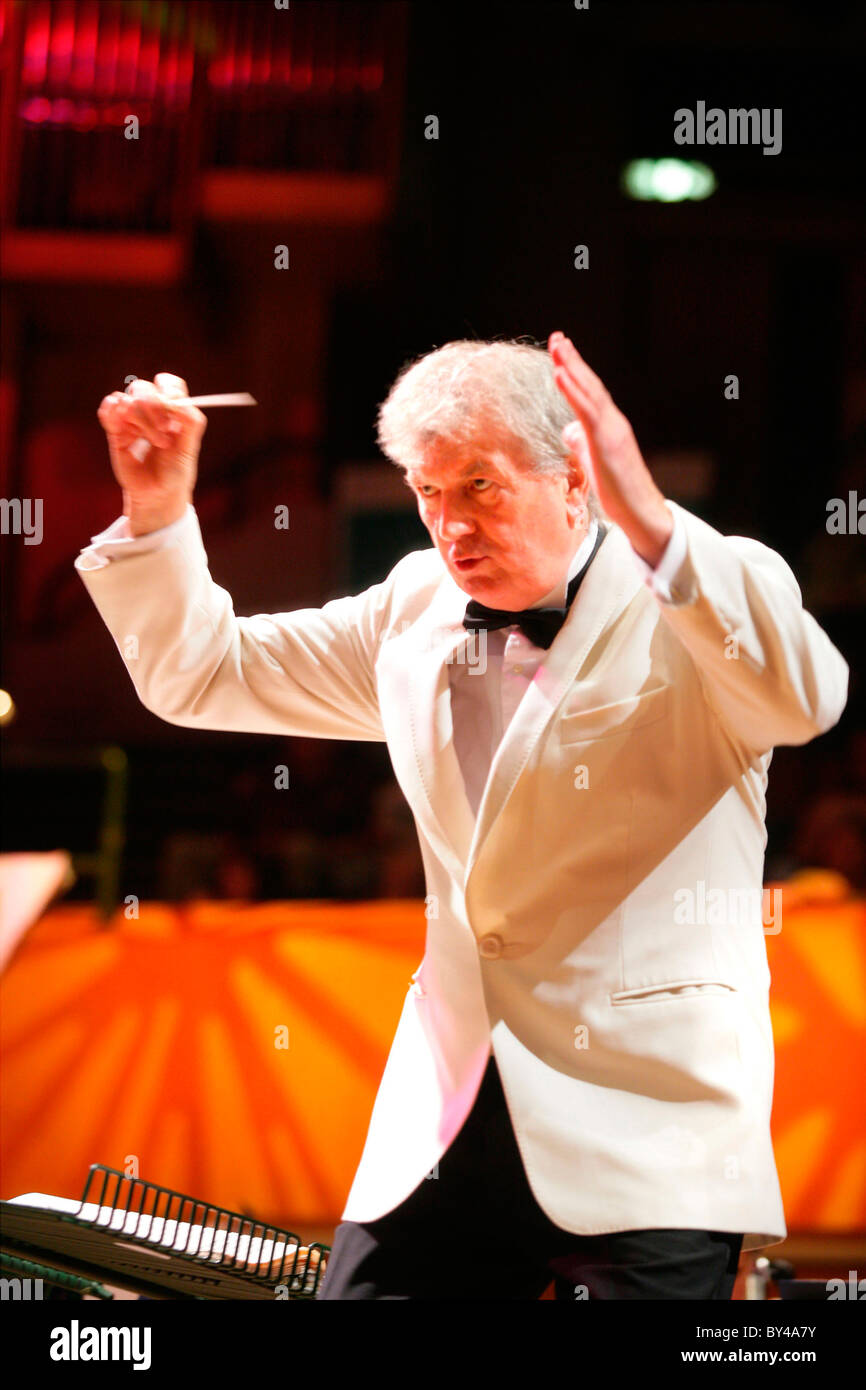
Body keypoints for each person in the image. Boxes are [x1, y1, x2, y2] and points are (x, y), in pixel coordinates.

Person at [75, 332, 849, 1299]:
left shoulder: (706, 587)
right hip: (443, 1122)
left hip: (649, 1127)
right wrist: (156, 513)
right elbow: (203, 673)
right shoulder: (414, 608)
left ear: (577, 479)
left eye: (479, 485)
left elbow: (809, 697)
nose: (450, 525)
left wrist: (650, 520)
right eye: (428, 493)